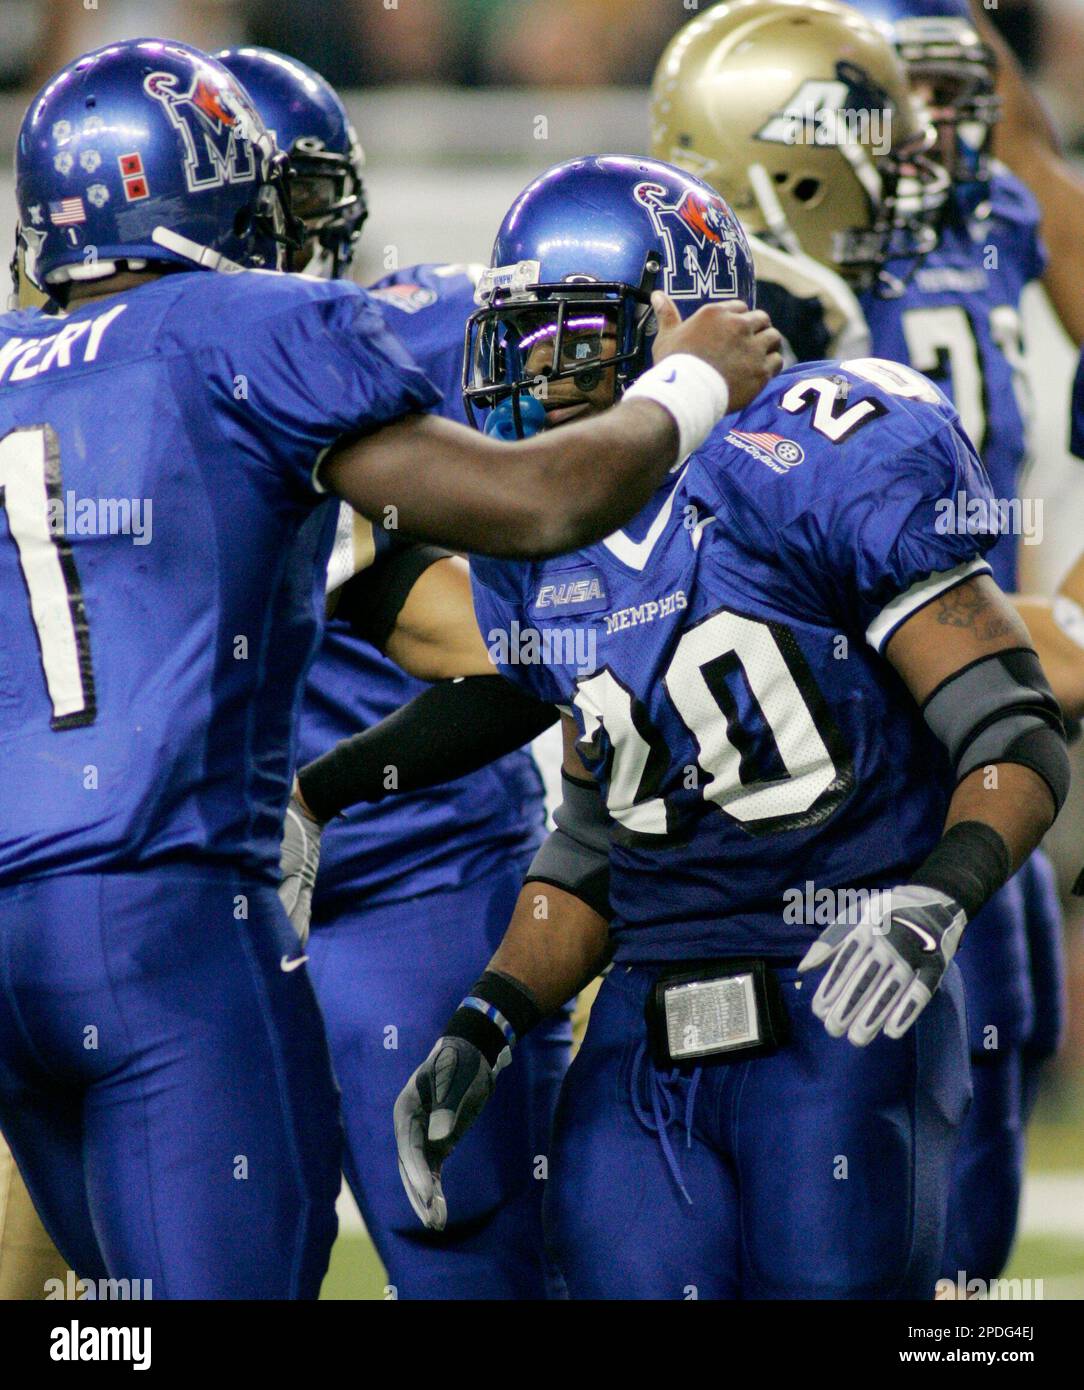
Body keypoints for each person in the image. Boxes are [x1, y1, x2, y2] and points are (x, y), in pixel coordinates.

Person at [0, 38, 780, 1298]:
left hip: (58, 920)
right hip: (173, 912)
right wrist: (692, 382)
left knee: (115, 1314)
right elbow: (535, 503)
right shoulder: (259, 328)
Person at [392, 152, 1069, 1299]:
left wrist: (933, 901)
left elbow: (1011, 728)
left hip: (845, 981)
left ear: (678, 317)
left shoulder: (820, 453)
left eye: (566, 333)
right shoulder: (532, 541)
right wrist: (485, 1019)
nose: (532, 368)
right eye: (518, 334)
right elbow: (593, 838)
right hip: (647, 1012)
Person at [651, 0, 1071, 1287]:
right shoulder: (761, 323)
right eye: (888, 115)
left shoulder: (974, 228)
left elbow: (1035, 174)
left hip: (970, 737)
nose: (929, 147)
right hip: (845, 794)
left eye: (939, 102)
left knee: (970, 1166)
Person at [217, 45, 567, 1299]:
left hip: (418, 867)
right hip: (199, 890)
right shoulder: (98, 382)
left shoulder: (417, 330)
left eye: (306, 198)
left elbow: (517, 622)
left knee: (471, 1251)